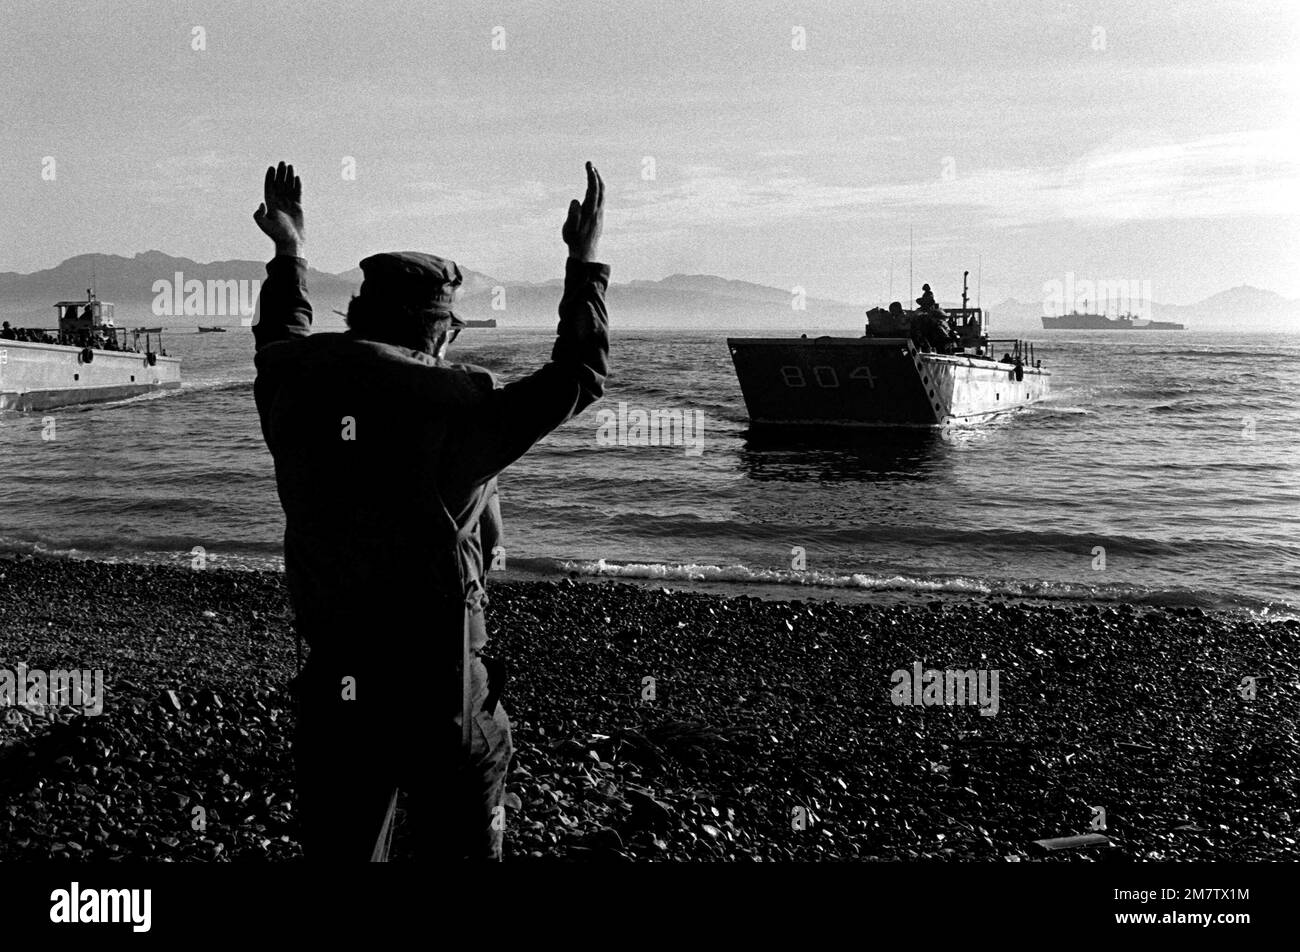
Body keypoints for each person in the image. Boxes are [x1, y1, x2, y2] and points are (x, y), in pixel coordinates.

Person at [250, 160, 608, 861]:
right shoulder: (458, 416)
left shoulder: (291, 391)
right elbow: (580, 374)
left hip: (338, 678)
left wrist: (288, 250)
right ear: (437, 334)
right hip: (439, 686)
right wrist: (583, 260)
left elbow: (280, 337)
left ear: (357, 318)